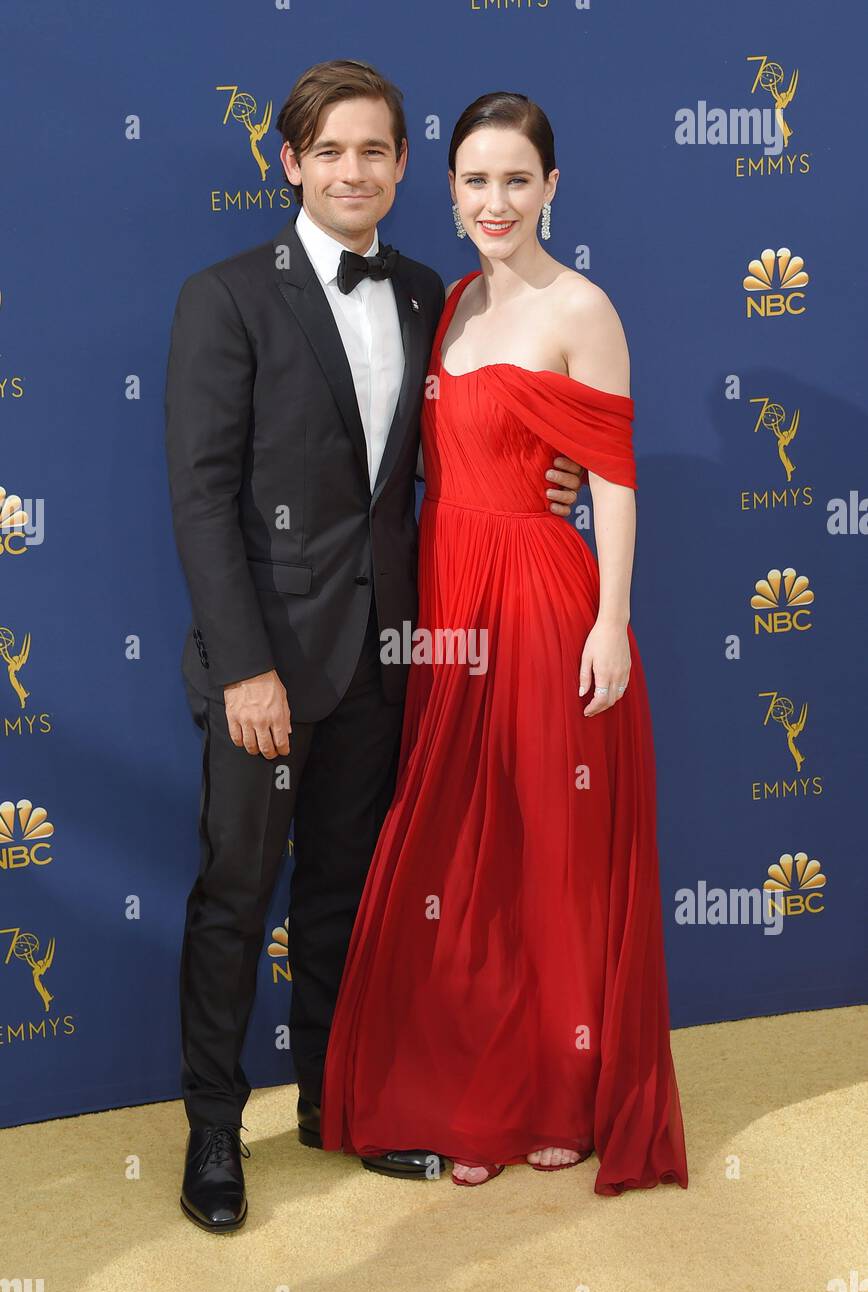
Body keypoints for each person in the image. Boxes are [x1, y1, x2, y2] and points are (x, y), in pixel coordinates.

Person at [164, 61, 584, 1232]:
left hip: (387, 656)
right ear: (289, 162)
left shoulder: (427, 295)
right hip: (268, 664)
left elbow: (482, 426)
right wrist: (245, 665)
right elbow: (201, 501)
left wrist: (552, 471)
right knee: (237, 896)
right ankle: (210, 1133)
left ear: (405, 167)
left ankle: (334, 1106)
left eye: (376, 152)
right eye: (330, 151)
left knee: (350, 895)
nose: (355, 171)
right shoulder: (227, 294)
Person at [319, 92, 689, 1196]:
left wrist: (610, 621)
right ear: (448, 190)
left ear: (552, 188)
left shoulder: (585, 308)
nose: (495, 200)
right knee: (458, 850)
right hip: (447, 606)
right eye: (475, 181)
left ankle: (560, 1095)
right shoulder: (454, 305)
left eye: (516, 180)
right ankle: (475, 1084)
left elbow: (614, 478)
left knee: (546, 851)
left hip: (538, 603)